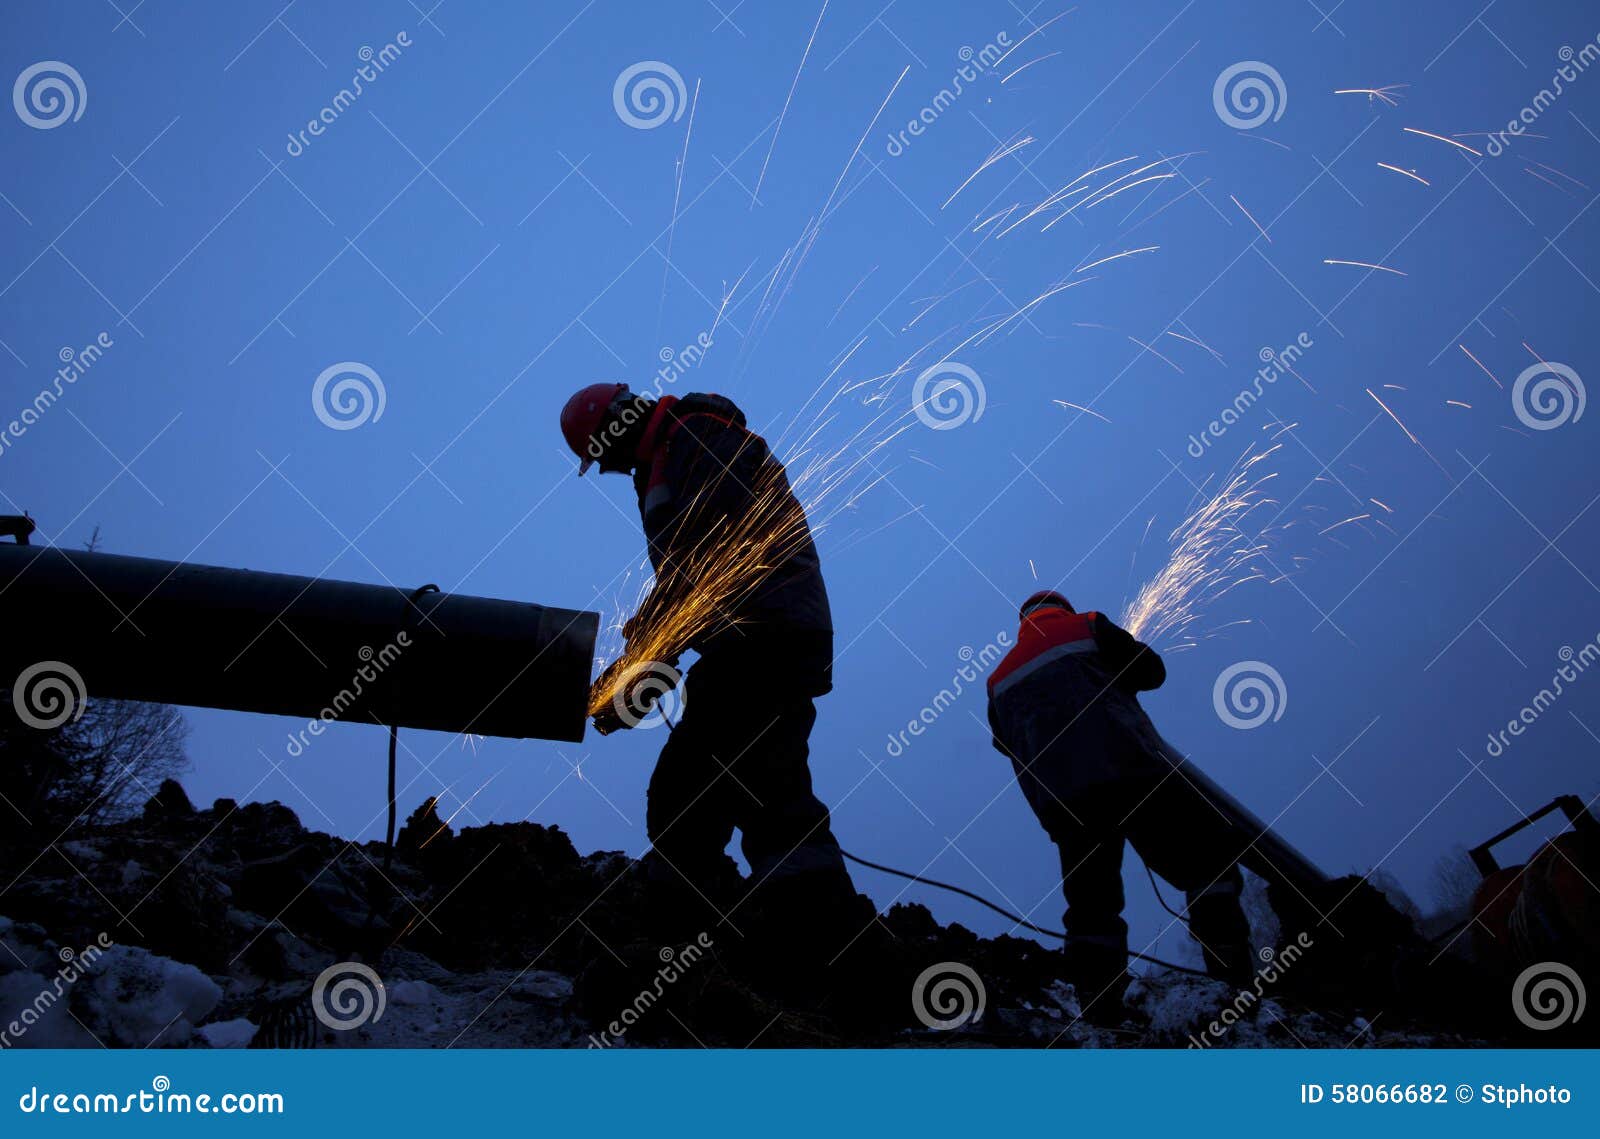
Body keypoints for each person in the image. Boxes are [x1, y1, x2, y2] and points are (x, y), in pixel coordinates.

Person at [559, 382, 860, 963]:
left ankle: (768, 942)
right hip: (759, 637)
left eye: (603, 456)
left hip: (762, 636)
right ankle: (798, 944)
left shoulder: (695, 439)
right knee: (745, 788)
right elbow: (685, 579)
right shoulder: (672, 453)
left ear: (615, 428)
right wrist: (641, 661)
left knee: (705, 792)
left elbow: (708, 563)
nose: (609, 471)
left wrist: (642, 667)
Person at [986, 589, 1253, 1022]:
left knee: (1092, 902)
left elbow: (1004, 741)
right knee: (1209, 858)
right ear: (1062, 609)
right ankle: (1235, 980)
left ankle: (1099, 1003)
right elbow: (1151, 671)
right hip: (1129, 770)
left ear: (1023, 623)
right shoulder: (1088, 625)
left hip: (1064, 800)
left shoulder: (998, 678)